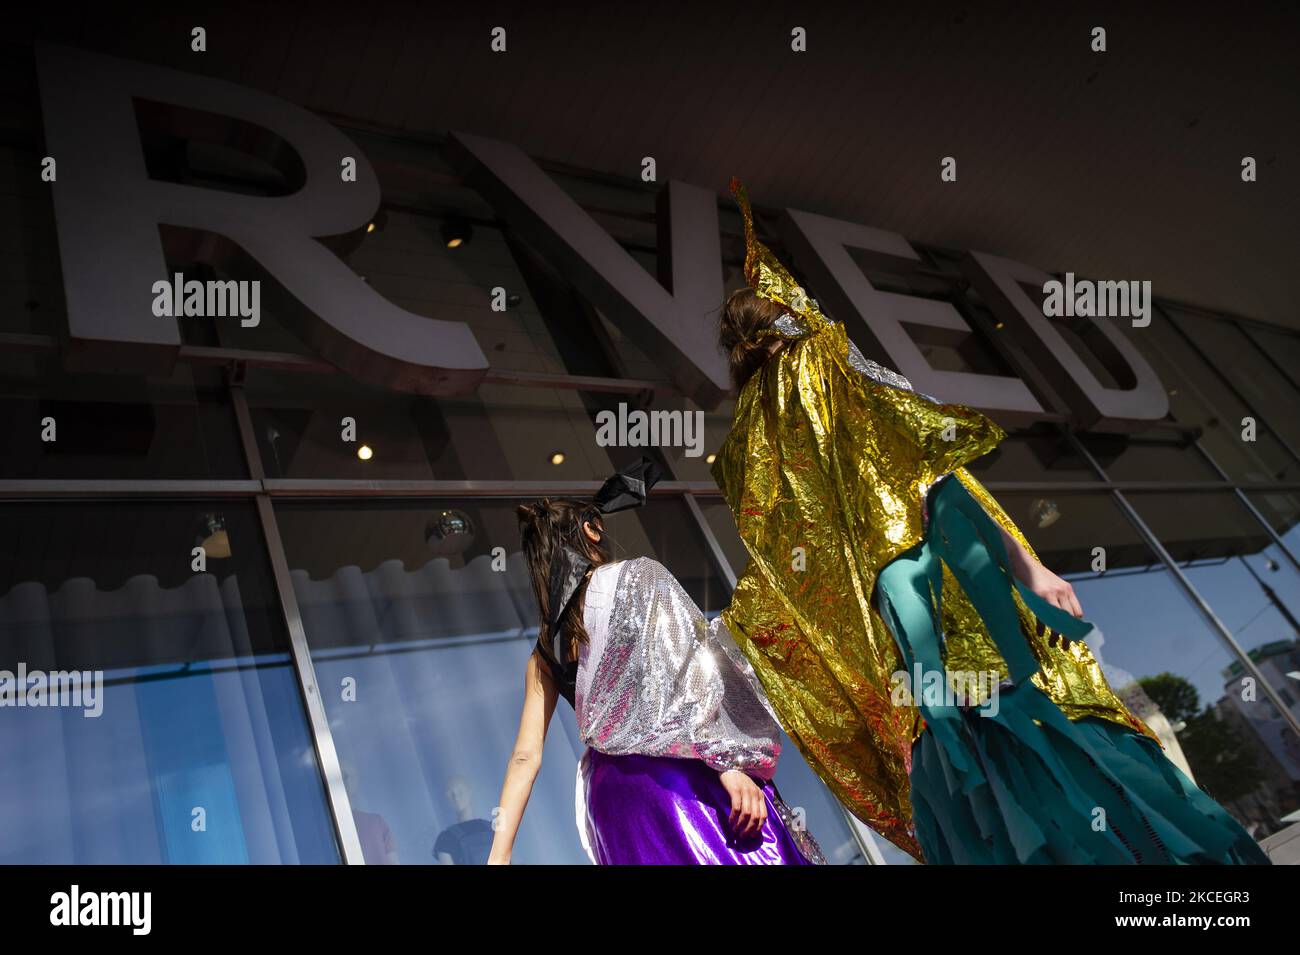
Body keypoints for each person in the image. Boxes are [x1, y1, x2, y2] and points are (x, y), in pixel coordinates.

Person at [709, 177, 1269, 865]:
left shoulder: (753, 450)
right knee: (1052, 739)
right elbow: (934, 469)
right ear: (792, 314)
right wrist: (1029, 565)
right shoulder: (827, 367)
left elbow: (793, 582)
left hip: (904, 636)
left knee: (988, 768)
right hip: (945, 583)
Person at [486, 460, 823, 865]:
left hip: (612, 799)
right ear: (591, 530)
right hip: (678, 778)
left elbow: (525, 757)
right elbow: (692, 671)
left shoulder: (546, 650)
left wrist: (499, 853)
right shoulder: (638, 578)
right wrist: (730, 763)